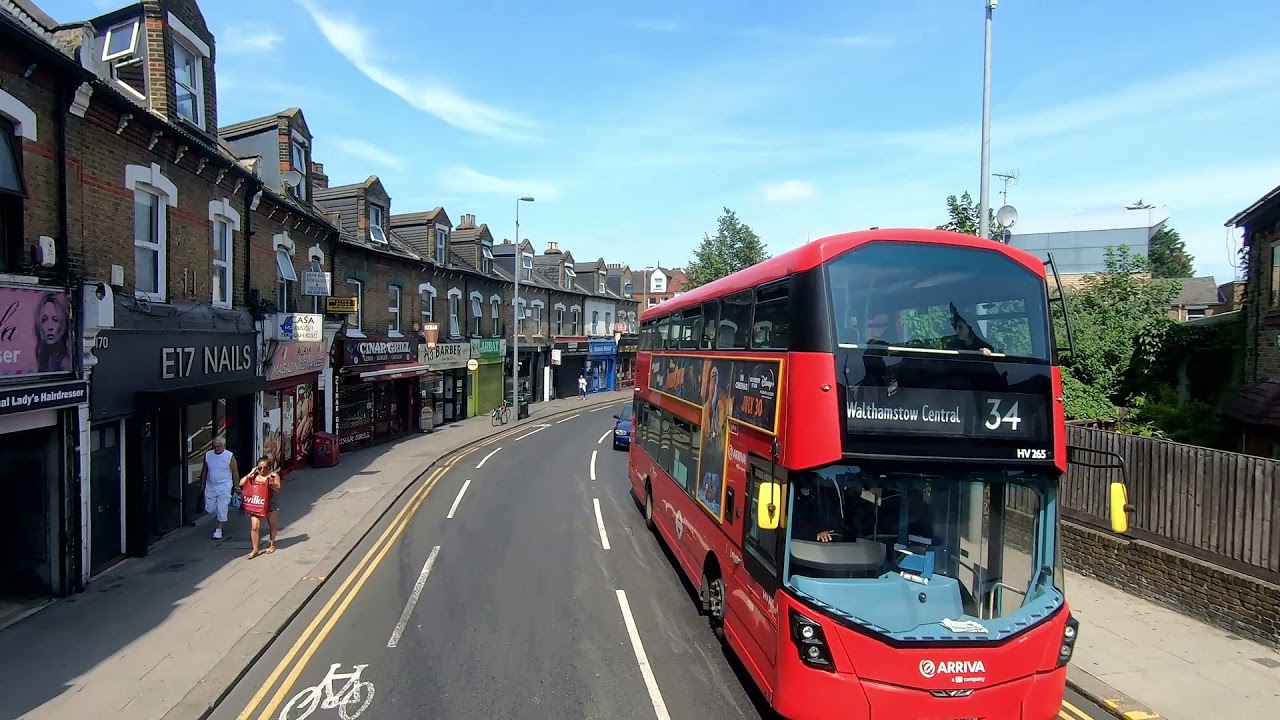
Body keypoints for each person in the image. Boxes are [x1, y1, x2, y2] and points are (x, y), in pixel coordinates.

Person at [239, 456, 282, 559]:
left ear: (269, 467)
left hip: (270, 503)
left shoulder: (273, 475)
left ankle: (272, 544)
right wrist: (250, 473)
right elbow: (241, 483)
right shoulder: (254, 475)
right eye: (260, 468)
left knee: (272, 525)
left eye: (265, 468)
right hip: (257, 503)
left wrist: (272, 485)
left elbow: (278, 490)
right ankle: (255, 549)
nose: (262, 470)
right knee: (255, 527)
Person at [201, 436, 239, 540]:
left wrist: (237, 486)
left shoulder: (229, 456)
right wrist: (202, 484)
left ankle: (219, 529)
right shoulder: (208, 455)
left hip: (225, 485)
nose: (216, 448)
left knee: (222, 508)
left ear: (223, 446)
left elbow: (235, 472)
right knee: (209, 509)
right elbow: (204, 469)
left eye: (219, 446)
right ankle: (220, 516)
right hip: (211, 485)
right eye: (215, 446)